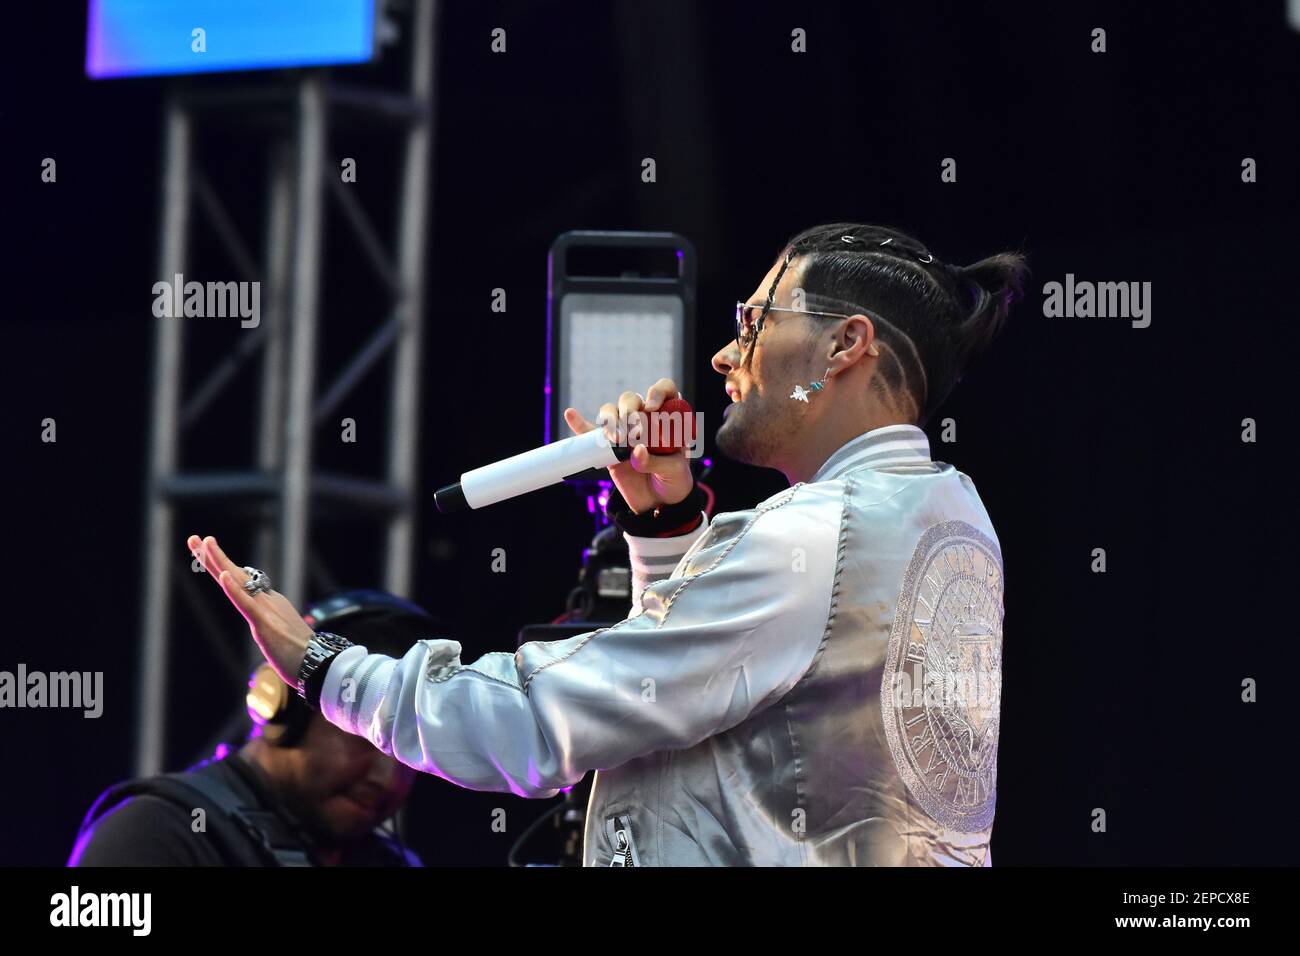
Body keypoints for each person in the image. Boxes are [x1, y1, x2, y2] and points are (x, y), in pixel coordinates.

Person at [189, 222, 1027, 866]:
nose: (725, 354)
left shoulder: (816, 535)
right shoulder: (953, 512)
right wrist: (665, 529)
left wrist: (322, 665)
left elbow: (533, 723)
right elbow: (727, 705)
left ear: (845, 345)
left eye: (753, 319)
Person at [69, 590, 435, 867]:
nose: (386, 776)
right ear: (284, 704)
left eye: (407, 745)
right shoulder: (157, 832)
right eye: (366, 734)